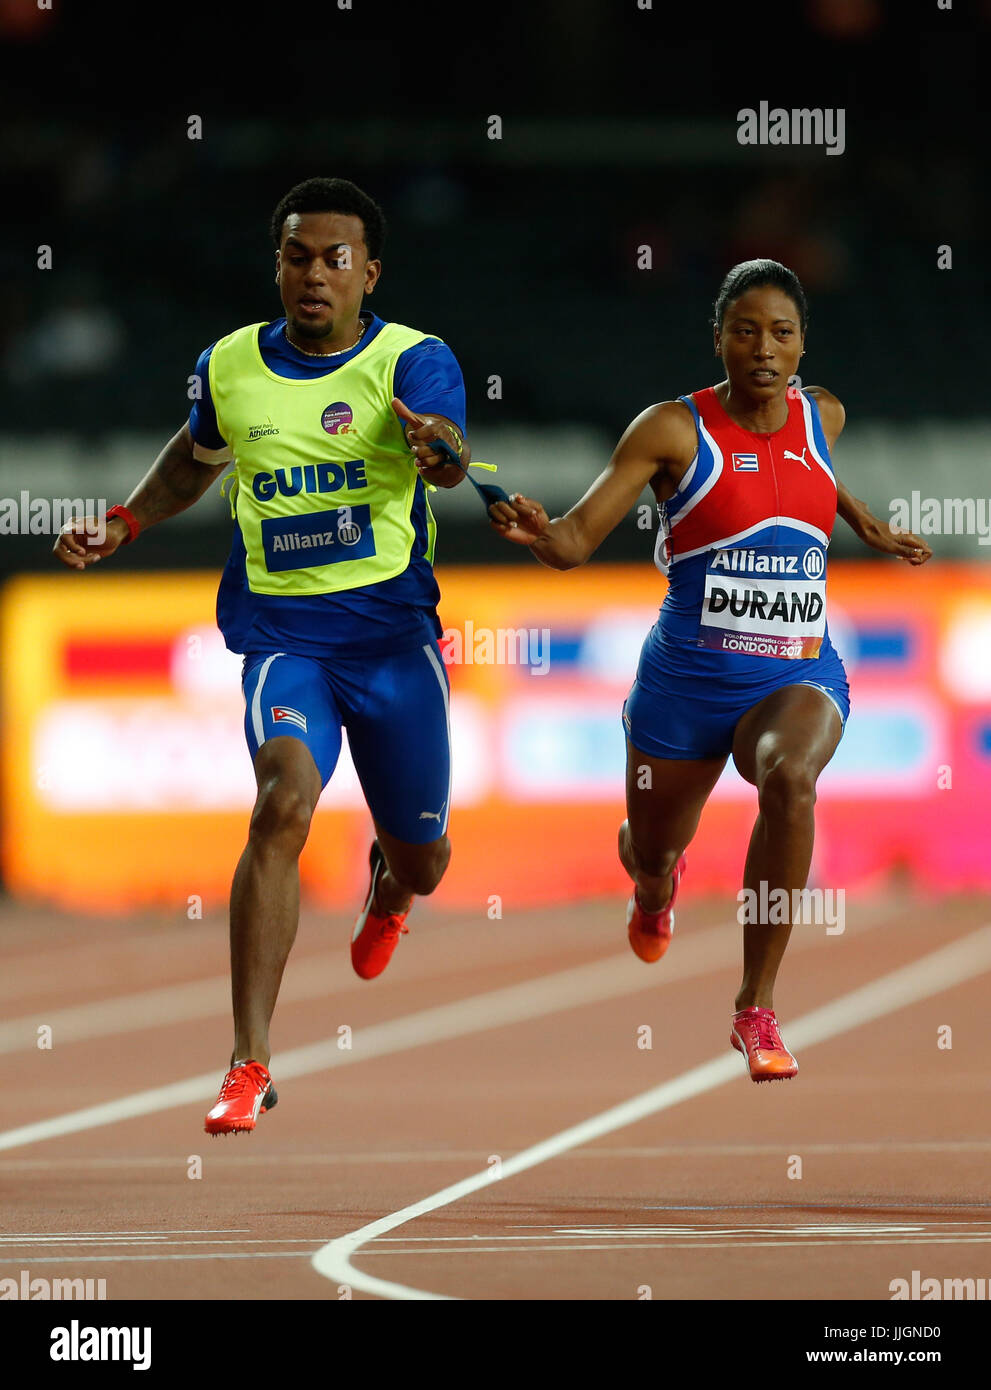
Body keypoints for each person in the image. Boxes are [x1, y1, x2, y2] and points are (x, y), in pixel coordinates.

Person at [54, 177, 470, 1131]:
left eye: (335, 259)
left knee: (429, 856)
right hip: (285, 643)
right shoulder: (230, 365)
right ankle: (249, 1061)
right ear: (276, 266)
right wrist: (125, 520)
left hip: (393, 641)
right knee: (282, 802)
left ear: (371, 272)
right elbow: (193, 456)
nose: (314, 275)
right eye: (296, 256)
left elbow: (449, 455)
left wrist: (437, 448)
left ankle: (392, 882)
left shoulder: (416, 359)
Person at [489, 259, 931, 1082]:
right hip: (683, 689)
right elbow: (575, 543)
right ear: (718, 339)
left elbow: (810, 482)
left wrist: (864, 519)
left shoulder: (821, 415)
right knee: (652, 850)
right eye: (745, 331)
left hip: (794, 674)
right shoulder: (668, 430)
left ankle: (754, 1008)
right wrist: (536, 529)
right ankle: (654, 887)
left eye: (782, 333)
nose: (763, 348)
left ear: (803, 346)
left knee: (789, 777)